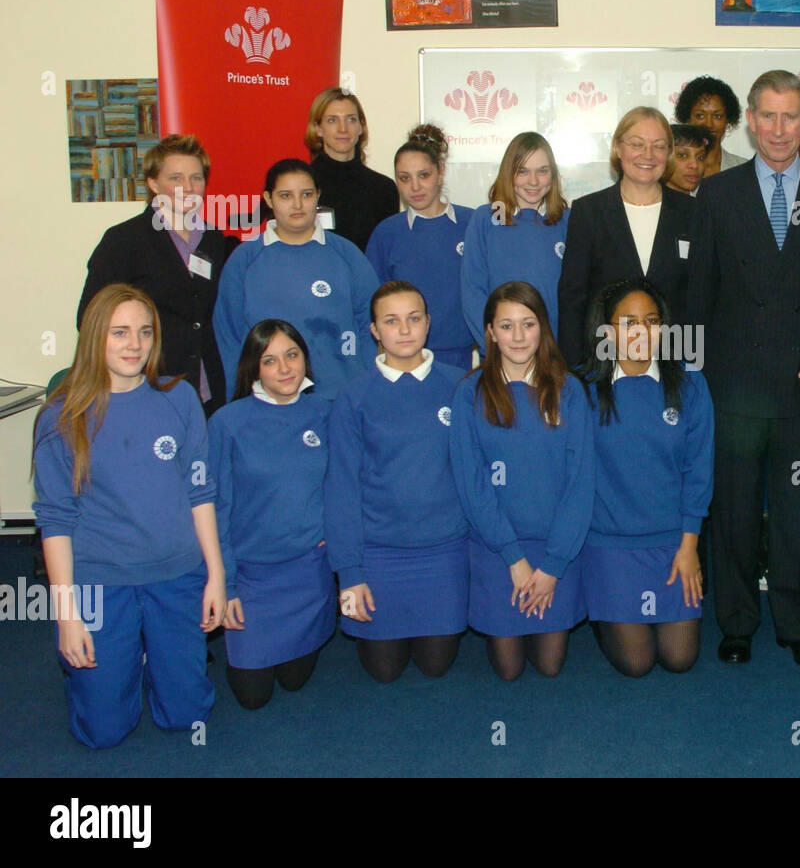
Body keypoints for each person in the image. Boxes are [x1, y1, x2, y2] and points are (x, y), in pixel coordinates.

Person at [688, 69, 800, 668]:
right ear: (750, 120)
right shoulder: (716, 194)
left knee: (796, 510)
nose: (780, 129)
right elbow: (699, 295)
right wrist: (699, 379)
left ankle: (795, 622)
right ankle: (735, 622)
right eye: (768, 116)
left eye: (792, 117)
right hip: (734, 387)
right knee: (734, 512)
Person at [32, 284, 223, 749]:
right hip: (102, 581)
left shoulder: (178, 399)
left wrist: (216, 575)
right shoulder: (62, 416)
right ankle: (114, 669)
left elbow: (201, 493)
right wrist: (67, 615)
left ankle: (154, 658)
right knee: (103, 733)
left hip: (176, 574)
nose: (134, 345)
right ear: (95, 337)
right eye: (119, 333)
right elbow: (55, 521)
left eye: (143, 332)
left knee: (185, 717)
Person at [325, 281, 473, 683]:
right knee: (384, 672)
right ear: (373, 330)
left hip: (444, 550)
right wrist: (350, 573)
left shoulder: (462, 386)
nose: (404, 330)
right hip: (379, 554)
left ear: (428, 323)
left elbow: (478, 475)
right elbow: (341, 488)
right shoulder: (352, 398)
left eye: (413, 319)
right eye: (391, 321)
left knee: (435, 665)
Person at [450, 281, 594, 680]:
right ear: (491, 332)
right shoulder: (469, 392)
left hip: (556, 546)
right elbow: (471, 483)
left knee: (549, 667)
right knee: (509, 670)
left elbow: (580, 485)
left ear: (543, 328)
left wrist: (553, 566)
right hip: (498, 547)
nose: (517, 337)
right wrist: (513, 557)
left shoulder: (570, 391)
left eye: (528, 324)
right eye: (506, 326)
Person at [577, 279, 713, 676]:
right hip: (609, 545)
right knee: (636, 663)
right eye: (628, 322)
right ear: (607, 331)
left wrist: (689, 548)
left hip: (672, 544)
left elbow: (699, 472)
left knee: (679, 658)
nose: (641, 332)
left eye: (651, 321)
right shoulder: (582, 391)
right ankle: (601, 603)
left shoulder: (691, 386)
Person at [208, 319, 334, 708]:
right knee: (253, 697)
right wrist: (225, 587)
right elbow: (216, 509)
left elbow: (346, 484)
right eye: (270, 360)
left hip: (308, 572)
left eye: (292, 355)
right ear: (253, 369)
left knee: (295, 682)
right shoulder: (228, 423)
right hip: (251, 577)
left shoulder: (326, 412)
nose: (285, 368)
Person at [77, 134, 227, 415]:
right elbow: (90, 319)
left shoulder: (214, 239)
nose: (188, 188)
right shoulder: (124, 240)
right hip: (145, 389)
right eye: (176, 178)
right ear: (153, 183)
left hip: (205, 390)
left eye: (196, 178)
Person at [215, 159, 379, 402]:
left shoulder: (347, 254)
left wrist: (368, 387)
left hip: (341, 398)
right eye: (285, 196)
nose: (298, 204)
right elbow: (229, 336)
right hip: (268, 401)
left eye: (306, 194)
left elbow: (372, 327)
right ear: (269, 200)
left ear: (318, 196)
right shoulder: (244, 260)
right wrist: (238, 399)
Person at [557, 107, 696, 366]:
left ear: (669, 152)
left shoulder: (693, 212)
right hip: (603, 362)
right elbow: (572, 297)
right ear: (618, 149)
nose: (648, 155)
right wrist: (574, 369)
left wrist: (693, 361)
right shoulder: (588, 211)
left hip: (675, 361)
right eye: (637, 144)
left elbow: (700, 296)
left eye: (659, 146)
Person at [366, 124, 476, 371]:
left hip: (460, 358)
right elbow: (373, 301)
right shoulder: (387, 233)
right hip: (402, 358)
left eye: (423, 175)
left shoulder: (472, 224)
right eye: (405, 178)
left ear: (440, 172)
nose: (414, 187)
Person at [460, 132, 570, 353]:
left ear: (553, 175)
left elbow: (575, 295)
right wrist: (494, 346)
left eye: (542, 171)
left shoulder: (568, 220)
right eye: (523, 171)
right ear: (508, 173)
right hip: (500, 353)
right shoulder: (486, 219)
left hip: (555, 354)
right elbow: (473, 291)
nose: (533, 181)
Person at [304, 87, 399, 253]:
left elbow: (387, 253)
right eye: (332, 120)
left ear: (361, 127)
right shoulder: (301, 187)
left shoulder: (384, 189)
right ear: (318, 128)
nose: (343, 129)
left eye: (351, 120)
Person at [674, 75, 746, 177]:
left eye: (717, 116)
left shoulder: (743, 169)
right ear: (687, 119)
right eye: (700, 116)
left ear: (728, 120)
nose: (708, 124)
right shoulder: (671, 170)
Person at [666, 124, 713, 196]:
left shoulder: (709, 203)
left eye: (700, 157)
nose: (695, 165)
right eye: (682, 156)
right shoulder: (649, 204)